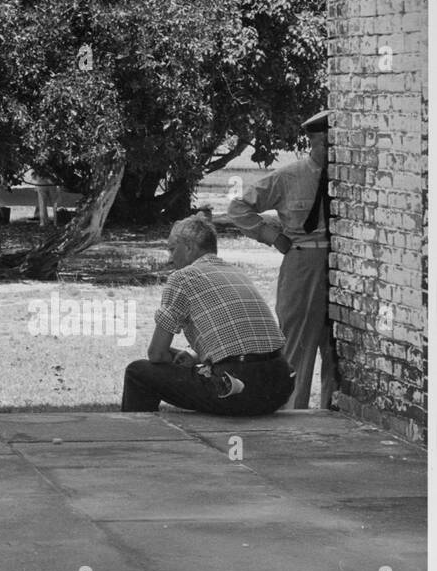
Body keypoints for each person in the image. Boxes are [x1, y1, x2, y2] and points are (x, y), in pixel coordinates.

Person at [121, 213, 294, 415]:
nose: (170, 259)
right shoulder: (236, 273)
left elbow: (157, 354)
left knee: (137, 373)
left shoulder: (183, 278)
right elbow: (240, 339)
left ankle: (137, 441)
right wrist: (195, 357)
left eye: (172, 249)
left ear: (189, 247)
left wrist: (174, 358)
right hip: (280, 383)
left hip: (236, 387)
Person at [227, 109, 335, 409]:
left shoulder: (348, 178)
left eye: (335, 144)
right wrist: (271, 235)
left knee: (337, 348)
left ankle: (333, 415)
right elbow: (239, 208)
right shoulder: (289, 177)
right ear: (311, 143)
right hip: (302, 263)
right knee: (297, 342)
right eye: (325, 144)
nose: (330, 150)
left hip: (340, 268)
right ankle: (291, 412)